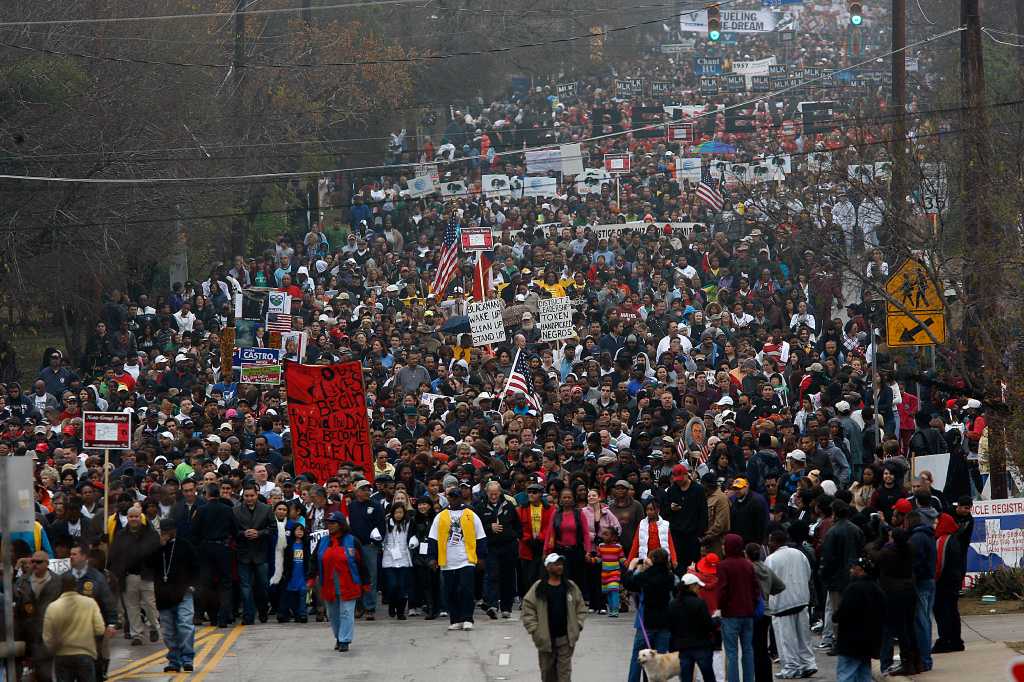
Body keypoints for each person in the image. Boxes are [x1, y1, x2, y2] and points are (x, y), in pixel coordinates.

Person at [521, 553, 588, 682]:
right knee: (547, 673)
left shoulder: (570, 587)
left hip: (565, 639)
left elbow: (580, 607)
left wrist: (578, 625)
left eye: (561, 564)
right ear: (547, 567)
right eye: (556, 564)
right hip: (546, 639)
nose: (560, 567)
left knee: (564, 674)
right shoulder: (538, 587)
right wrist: (534, 629)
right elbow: (528, 608)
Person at [428, 486, 487, 631]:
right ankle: (455, 619)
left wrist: (481, 557)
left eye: (456, 496)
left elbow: (480, 537)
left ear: (461, 497)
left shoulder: (471, 514)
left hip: (466, 559)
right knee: (450, 590)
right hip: (447, 561)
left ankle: (467, 618)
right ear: (448, 498)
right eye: (451, 496)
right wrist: (432, 557)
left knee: (466, 590)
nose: (453, 499)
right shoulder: (441, 516)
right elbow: (433, 538)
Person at [148, 518, 199, 673]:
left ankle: (187, 659)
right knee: (168, 632)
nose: (165, 534)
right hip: (163, 595)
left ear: (174, 530)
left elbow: (196, 566)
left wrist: (193, 584)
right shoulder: (157, 548)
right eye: (162, 531)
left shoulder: (185, 545)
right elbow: (148, 565)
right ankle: (174, 660)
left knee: (185, 626)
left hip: (183, 593)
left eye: (167, 531)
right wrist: (158, 546)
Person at [764, 530, 817, 679]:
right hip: (801, 599)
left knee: (786, 639)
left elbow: (768, 582)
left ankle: (791, 668)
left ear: (775, 542)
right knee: (803, 636)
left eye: (770, 541)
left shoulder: (771, 559)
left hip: (782, 604)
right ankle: (808, 664)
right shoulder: (799, 554)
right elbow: (808, 573)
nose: (768, 544)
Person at [316, 512, 370, 652]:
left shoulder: (353, 541)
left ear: (341, 524)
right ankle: (339, 637)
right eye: (328, 523)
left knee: (346, 612)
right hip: (329, 585)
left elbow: (362, 564)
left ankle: (344, 640)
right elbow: (314, 561)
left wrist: (366, 582)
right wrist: (310, 578)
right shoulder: (322, 541)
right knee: (332, 614)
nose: (330, 525)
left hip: (349, 584)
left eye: (333, 523)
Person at [107, 507, 161, 645]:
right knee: (132, 608)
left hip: (147, 576)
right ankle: (137, 634)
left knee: (150, 605)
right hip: (128, 576)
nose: (134, 519)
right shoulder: (120, 535)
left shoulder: (151, 533)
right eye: (131, 517)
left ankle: (154, 627)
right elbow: (114, 555)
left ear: (140, 517)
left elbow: (157, 553)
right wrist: (115, 572)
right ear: (128, 518)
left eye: (136, 516)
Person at [818, 499, 864, 655]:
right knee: (854, 611)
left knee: (837, 612)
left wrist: (824, 575)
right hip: (854, 577)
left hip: (837, 579)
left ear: (835, 513)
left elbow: (828, 558)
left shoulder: (833, 532)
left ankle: (840, 643)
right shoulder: (856, 530)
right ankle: (854, 640)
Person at [42, 574, 107, 682]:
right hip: (85, 654)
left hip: (62, 655)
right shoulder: (90, 603)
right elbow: (100, 629)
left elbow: (47, 636)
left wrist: (53, 649)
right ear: (76, 586)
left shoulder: (52, 607)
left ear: (60, 587)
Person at [623, 547, 675, 682]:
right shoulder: (669, 577)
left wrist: (631, 567)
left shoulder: (646, 576)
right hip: (664, 623)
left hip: (647, 623)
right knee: (659, 659)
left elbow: (629, 583)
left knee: (638, 657)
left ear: (653, 560)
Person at [833, 557, 885, 682]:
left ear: (861, 571)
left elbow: (842, 613)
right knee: (864, 675)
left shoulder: (853, 589)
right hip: (869, 643)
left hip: (851, 643)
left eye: (853, 568)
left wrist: (835, 617)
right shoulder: (877, 590)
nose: (851, 571)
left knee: (846, 675)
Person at [475, 480, 522, 618]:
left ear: (500, 492)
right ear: (486, 493)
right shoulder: (480, 507)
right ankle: (492, 605)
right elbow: (476, 528)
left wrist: (515, 537)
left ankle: (506, 608)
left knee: (508, 577)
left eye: (496, 493)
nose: (494, 496)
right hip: (491, 547)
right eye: (491, 494)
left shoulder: (509, 505)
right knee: (492, 576)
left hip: (508, 547)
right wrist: (490, 527)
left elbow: (517, 525)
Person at [14, 550, 63, 682]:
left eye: (39, 562)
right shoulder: (22, 581)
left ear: (47, 563)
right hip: (26, 634)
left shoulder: (57, 582)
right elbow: (15, 605)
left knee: (45, 675)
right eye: (33, 561)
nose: (35, 564)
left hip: (47, 636)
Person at [192, 482, 236, 628]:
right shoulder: (228, 510)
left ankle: (213, 617)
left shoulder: (201, 510)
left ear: (207, 495)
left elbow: (194, 532)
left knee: (207, 584)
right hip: (223, 548)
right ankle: (223, 618)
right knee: (226, 584)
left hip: (205, 549)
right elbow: (234, 530)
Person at [717, 533, 759, 682]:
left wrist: (720, 607)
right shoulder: (748, 564)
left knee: (731, 653)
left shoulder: (723, 565)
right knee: (748, 650)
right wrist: (752, 606)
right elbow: (755, 589)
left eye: (724, 544)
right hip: (748, 613)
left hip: (730, 615)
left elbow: (722, 591)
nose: (722, 547)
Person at [746, 542, 785, 682]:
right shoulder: (766, 569)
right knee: (763, 647)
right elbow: (780, 586)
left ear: (747, 555)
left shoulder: (749, 569)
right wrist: (768, 592)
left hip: (754, 610)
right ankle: (767, 678)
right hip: (766, 611)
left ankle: (758, 677)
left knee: (754, 648)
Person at [234, 483, 272, 625]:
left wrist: (259, 533)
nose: (249, 498)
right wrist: (243, 533)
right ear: (243, 496)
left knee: (263, 585)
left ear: (257, 495)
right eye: (246, 496)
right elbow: (232, 531)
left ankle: (262, 611)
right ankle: (248, 616)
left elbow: (273, 528)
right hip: (243, 554)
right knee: (245, 587)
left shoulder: (266, 509)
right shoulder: (235, 510)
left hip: (261, 553)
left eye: (252, 496)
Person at [668, 573, 718, 682]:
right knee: (708, 675)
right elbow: (708, 625)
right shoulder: (699, 603)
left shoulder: (673, 604)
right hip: (701, 645)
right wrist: (717, 620)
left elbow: (670, 626)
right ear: (692, 586)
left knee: (686, 677)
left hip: (683, 646)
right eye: (697, 586)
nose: (699, 589)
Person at [661, 463, 708, 574]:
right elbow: (664, 512)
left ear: (687, 475)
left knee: (695, 564)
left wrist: (701, 533)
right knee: (679, 564)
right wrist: (671, 508)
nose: (679, 482)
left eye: (681, 479)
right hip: (677, 533)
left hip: (693, 533)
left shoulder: (698, 490)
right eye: (676, 480)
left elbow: (703, 513)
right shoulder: (672, 490)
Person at [907, 510, 937, 672]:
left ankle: (925, 659)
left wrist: (912, 577)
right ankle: (925, 658)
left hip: (921, 582)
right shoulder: (928, 536)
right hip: (930, 580)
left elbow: (916, 562)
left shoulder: (916, 538)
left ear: (909, 521)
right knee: (926, 620)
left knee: (921, 622)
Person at [932, 512, 964, 653]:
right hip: (953, 580)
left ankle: (945, 640)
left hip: (944, 583)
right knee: (952, 611)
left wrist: (934, 580)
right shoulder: (954, 539)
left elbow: (939, 564)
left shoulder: (942, 540)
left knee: (942, 611)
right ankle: (956, 640)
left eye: (936, 523)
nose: (934, 525)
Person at [518, 482, 554, 597]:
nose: (531, 494)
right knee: (527, 577)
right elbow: (520, 527)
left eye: (534, 492)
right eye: (529, 492)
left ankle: (541, 598)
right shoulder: (521, 509)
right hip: (527, 547)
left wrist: (540, 538)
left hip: (543, 546)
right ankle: (528, 599)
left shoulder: (549, 509)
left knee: (542, 575)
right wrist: (528, 539)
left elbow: (549, 526)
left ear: (541, 494)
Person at [381, 502, 415, 620]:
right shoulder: (387, 523)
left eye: (400, 512)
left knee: (402, 586)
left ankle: (400, 611)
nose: (398, 515)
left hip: (404, 558)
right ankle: (392, 604)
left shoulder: (408, 523)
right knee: (392, 585)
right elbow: (383, 538)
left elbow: (413, 535)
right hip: (389, 558)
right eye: (396, 512)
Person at [278, 522, 313, 623]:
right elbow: (284, 560)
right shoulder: (289, 545)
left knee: (303, 594)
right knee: (290, 595)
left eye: (301, 530)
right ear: (293, 531)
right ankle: (289, 613)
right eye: (297, 530)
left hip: (302, 573)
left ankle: (303, 614)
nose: (299, 532)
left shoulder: (306, 544)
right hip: (291, 573)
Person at [596, 527, 625, 617]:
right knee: (608, 592)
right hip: (605, 574)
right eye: (603, 534)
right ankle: (612, 609)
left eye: (606, 534)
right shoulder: (601, 546)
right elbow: (599, 559)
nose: (603, 536)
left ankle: (615, 610)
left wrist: (628, 563)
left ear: (613, 537)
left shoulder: (618, 547)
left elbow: (622, 559)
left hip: (615, 573)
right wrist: (591, 560)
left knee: (614, 590)